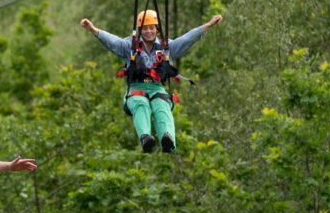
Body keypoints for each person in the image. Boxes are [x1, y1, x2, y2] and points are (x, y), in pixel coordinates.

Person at [80, 9, 224, 153]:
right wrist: (93, 30)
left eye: (151, 27)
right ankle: (145, 137)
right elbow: (112, 41)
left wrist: (208, 26)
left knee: (162, 105)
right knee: (141, 103)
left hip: (157, 88)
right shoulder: (130, 46)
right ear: (140, 30)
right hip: (136, 89)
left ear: (156, 29)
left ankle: (167, 140)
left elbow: (187, 39)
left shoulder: (166, 47)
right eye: (145, 28)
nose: (148, 31)